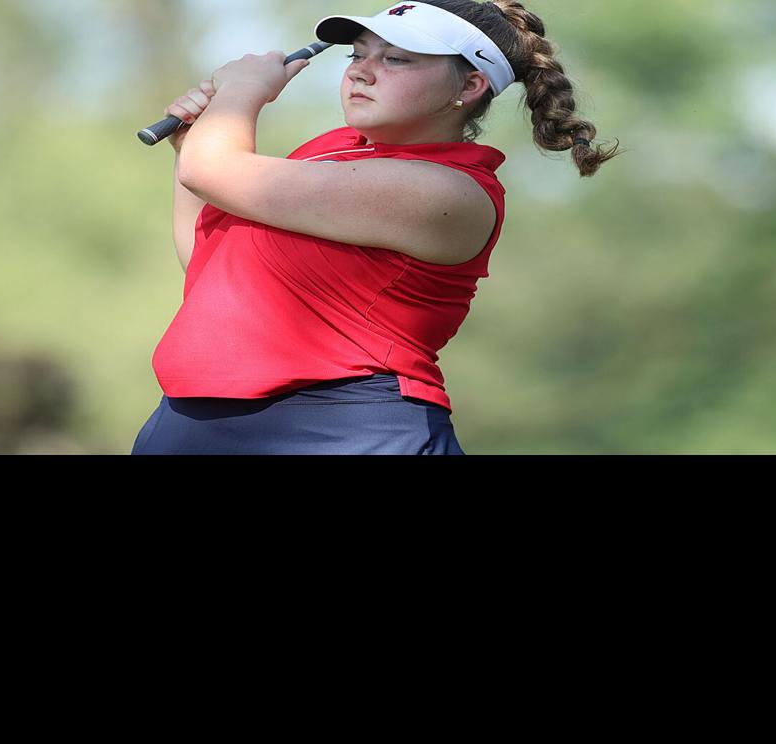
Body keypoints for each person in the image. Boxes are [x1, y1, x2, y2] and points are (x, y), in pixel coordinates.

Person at [131, 0, 617, 455]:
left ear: (469, 87)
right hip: (188, 422)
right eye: (357, 54)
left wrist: (240, 92)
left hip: (341, 427)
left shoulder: (449, 191)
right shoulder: (330, 149)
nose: (362, 70)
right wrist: (192, 147)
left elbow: (214, 171)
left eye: (397, 60)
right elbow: (208, 267)